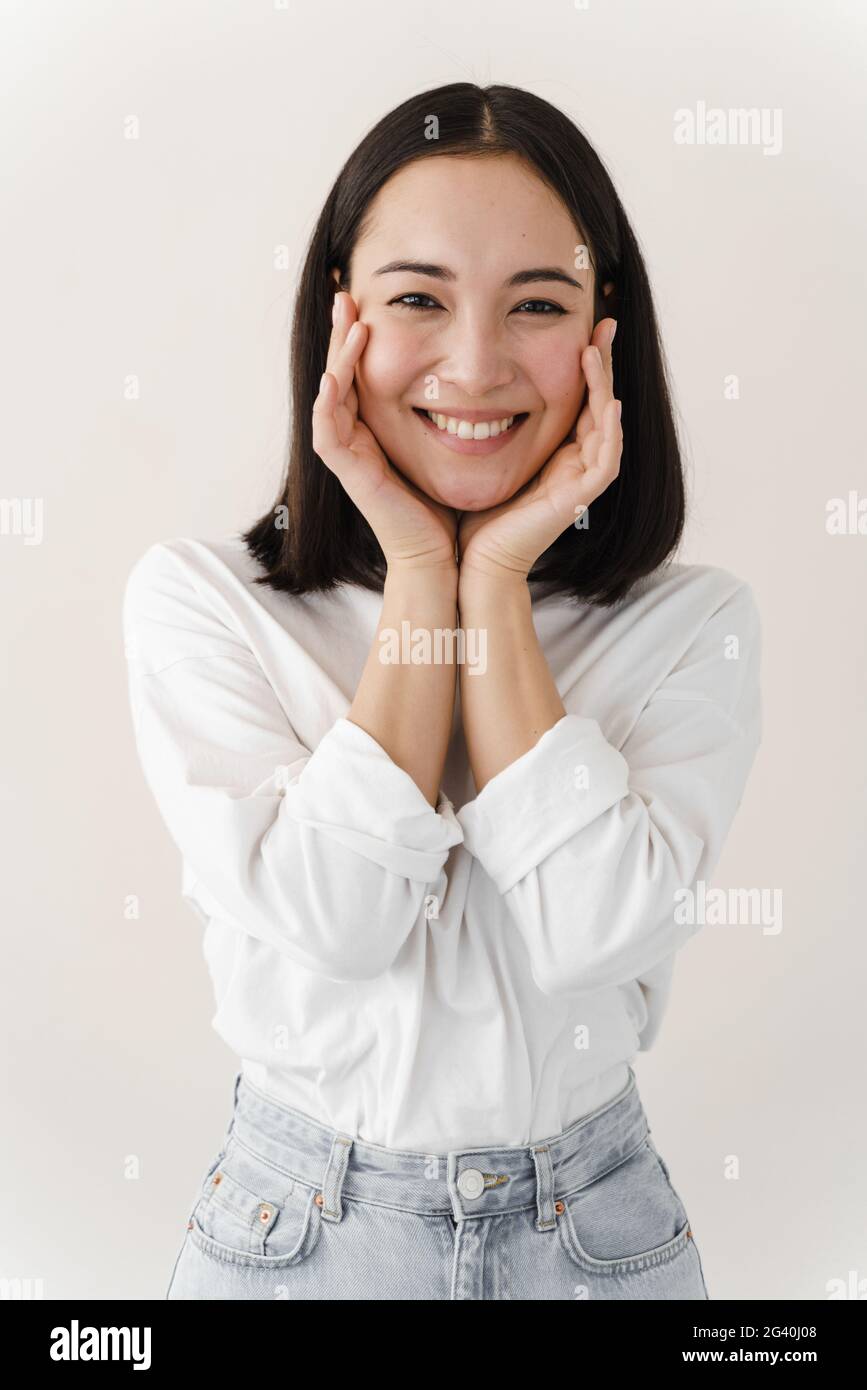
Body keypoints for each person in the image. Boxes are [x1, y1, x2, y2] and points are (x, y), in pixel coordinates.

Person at [122, 82, 762, 1301]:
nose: (475, 365)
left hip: (597, 1232)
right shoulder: (202, 602)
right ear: (341, 322)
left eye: (538, 303)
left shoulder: (697, 624)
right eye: (419, 298)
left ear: (602, 339)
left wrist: (501, 575)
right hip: (298, 1232)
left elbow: (597, 932)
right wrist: (424, 568)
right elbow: (340, 920)